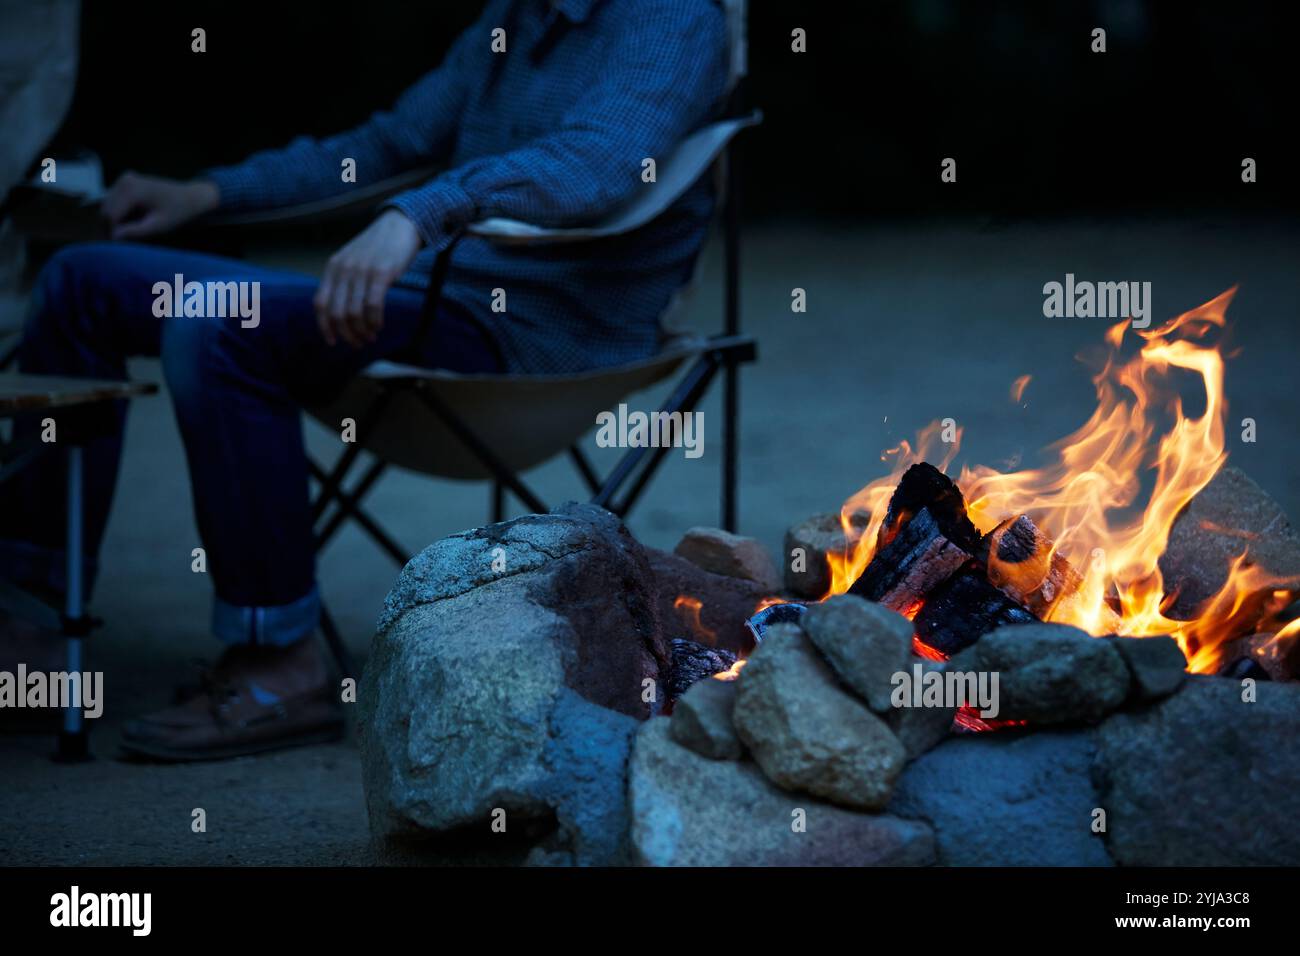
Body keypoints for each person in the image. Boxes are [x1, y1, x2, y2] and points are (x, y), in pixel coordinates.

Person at [0, 0, 728, 759]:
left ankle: (280, 661)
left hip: (533, 332)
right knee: (82, 280)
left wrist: (419, 214)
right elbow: (387, 144)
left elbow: (601, 160)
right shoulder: (517, 16)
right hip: (427, 296)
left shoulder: (668, 16)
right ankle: (34, 624)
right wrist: (208, 195)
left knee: (219, 321)